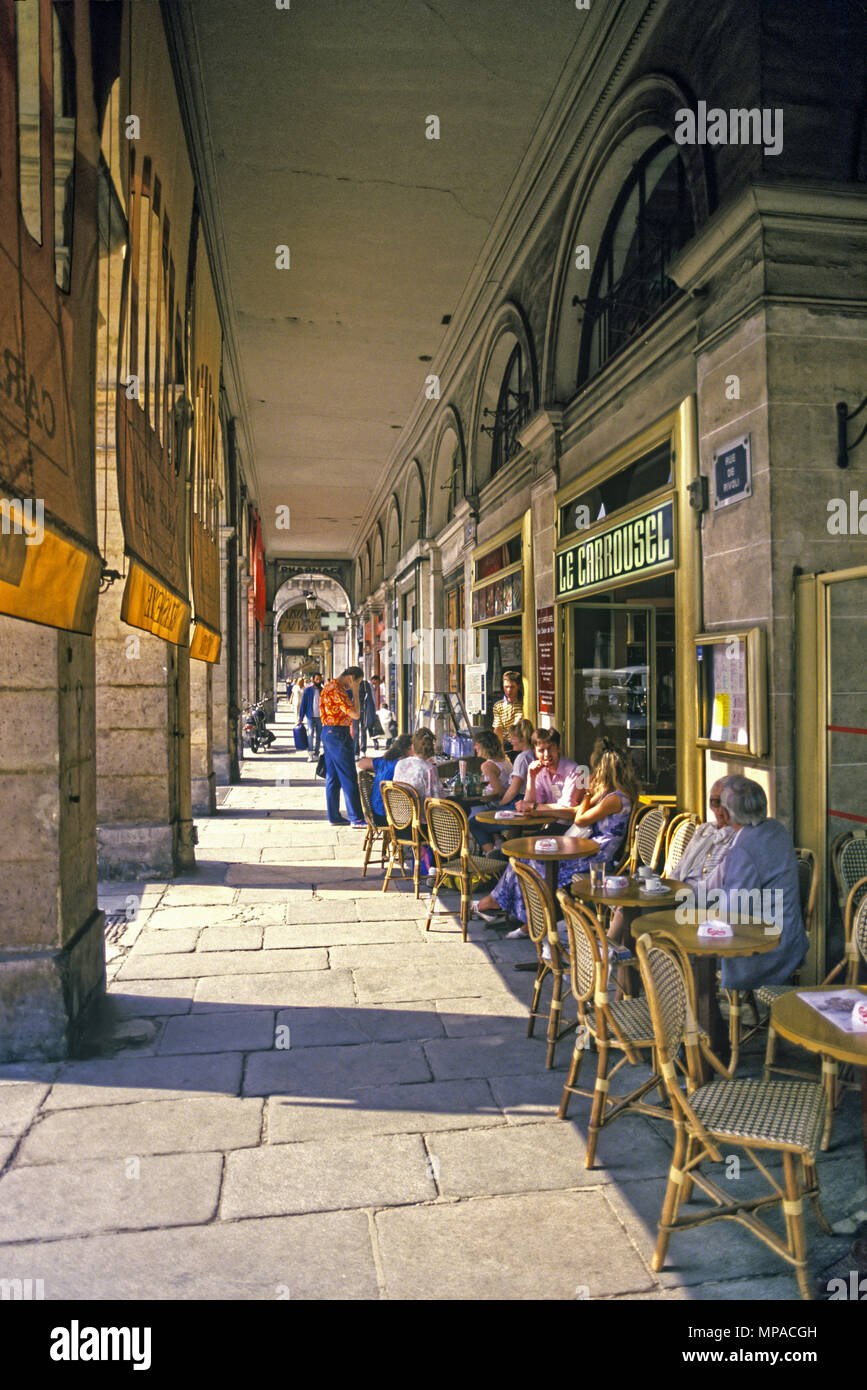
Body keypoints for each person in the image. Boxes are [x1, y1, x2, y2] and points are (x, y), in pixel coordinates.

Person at [472, 739, 638, 931]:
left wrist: (587, 793)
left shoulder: (615, 799)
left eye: (597, 769)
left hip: (597, 854)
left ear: (605, 771)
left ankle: (529, 917)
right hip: (585, 846)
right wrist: (587, 793)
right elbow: (578, 810)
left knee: (534, 862)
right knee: (522, 857)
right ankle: (515, 910)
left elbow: (580, 819)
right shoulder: (608, 795)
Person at [607, 777, 738, 955]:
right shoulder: (704, 830)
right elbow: (678, 869)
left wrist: (674, 893)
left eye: (724, 803)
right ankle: (613, 957)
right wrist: (665, 889)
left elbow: (714, 888)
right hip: (675, 894)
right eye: (714, 802)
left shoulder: (738, 839)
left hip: (698, 904)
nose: (719, 809)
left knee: (633, 912)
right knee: (630, 906)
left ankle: (608, 957)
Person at [713, 775, 808, 991]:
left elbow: (732, 909)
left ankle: (709, 1020)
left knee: (690, 954)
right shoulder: (776, 829)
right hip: (791, 940)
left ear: (727, 814)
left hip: (766, 948)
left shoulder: (744, 847)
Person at [469, 718, 535, 849]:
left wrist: (500, 804)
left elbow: (512, 791)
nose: (510, 741)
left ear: (522, 739)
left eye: (513, 738)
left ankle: (492, 857)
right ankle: (499, 846)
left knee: (474, 822)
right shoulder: (530, 755)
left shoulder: (522, 759)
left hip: (518, 803)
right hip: (526, 803)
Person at [319, 666, 366, 827]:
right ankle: (356, 817)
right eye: (357, 682)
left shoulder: (328, 686)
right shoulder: (338, 690)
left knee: (332, 777)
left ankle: (334, 816)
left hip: (328, 732)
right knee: (348, 775)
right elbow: (355, 714)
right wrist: (356, 691)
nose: (353, 686)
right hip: (338, 734)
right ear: (351, 678)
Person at [514, 727, 585, 824]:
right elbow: (528, 805)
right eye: (541, 750)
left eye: (550, 748)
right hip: (548, 823)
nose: (546, 754)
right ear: (535, 752)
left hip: (570, 827)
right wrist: (531, 776)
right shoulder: (540, 770)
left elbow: (567, 810)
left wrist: (533, 807)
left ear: (558, 748)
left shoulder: (573, 770)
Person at [357, 733, 413, 824]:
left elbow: (360, 764)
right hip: (392, 817)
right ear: (409, 748)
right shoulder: (404, 765)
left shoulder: (384, 761)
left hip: (376, 813)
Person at [392, 727, 446, 804]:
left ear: (413, 746)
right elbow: (438, 800)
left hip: (399, 813)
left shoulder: (400, 764)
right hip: (421, 814)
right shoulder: (429, 769)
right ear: (431, 749)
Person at [471, 729, 513, 799]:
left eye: (476, 744)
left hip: (495, 805)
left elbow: (499, 792)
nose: (474, 747)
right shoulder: (505, 760)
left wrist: (480, 799)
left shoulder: (487, 766)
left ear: (485, 745)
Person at [492, 670, 524, 751]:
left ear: (518, 686)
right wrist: (501, 750)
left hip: (522, 742)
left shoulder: (524, 703)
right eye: (506, 687)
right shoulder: (498, 706)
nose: (509, 690)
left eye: (512, 687)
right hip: (507, 744)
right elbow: (498, 729)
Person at [300, 672, 323, 762]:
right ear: (313, 680)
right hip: (310, 716)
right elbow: (303, 704)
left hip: (320, 717)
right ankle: (310, 753)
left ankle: (316, 753)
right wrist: (300, 718)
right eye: (317, 679)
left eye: (319, 679)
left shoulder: (323, 691)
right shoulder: (307, 691)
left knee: (319, 736)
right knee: (310, 734)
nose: (318, 681)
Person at [352, 675, 377, 756]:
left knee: (363, 731)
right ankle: (356, 752)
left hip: (364, 711)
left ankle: (363, 750)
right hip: (354, 712)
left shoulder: (365, 684)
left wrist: (372, 711)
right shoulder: (351, 684)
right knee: (355, 732)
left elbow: (370, 698)